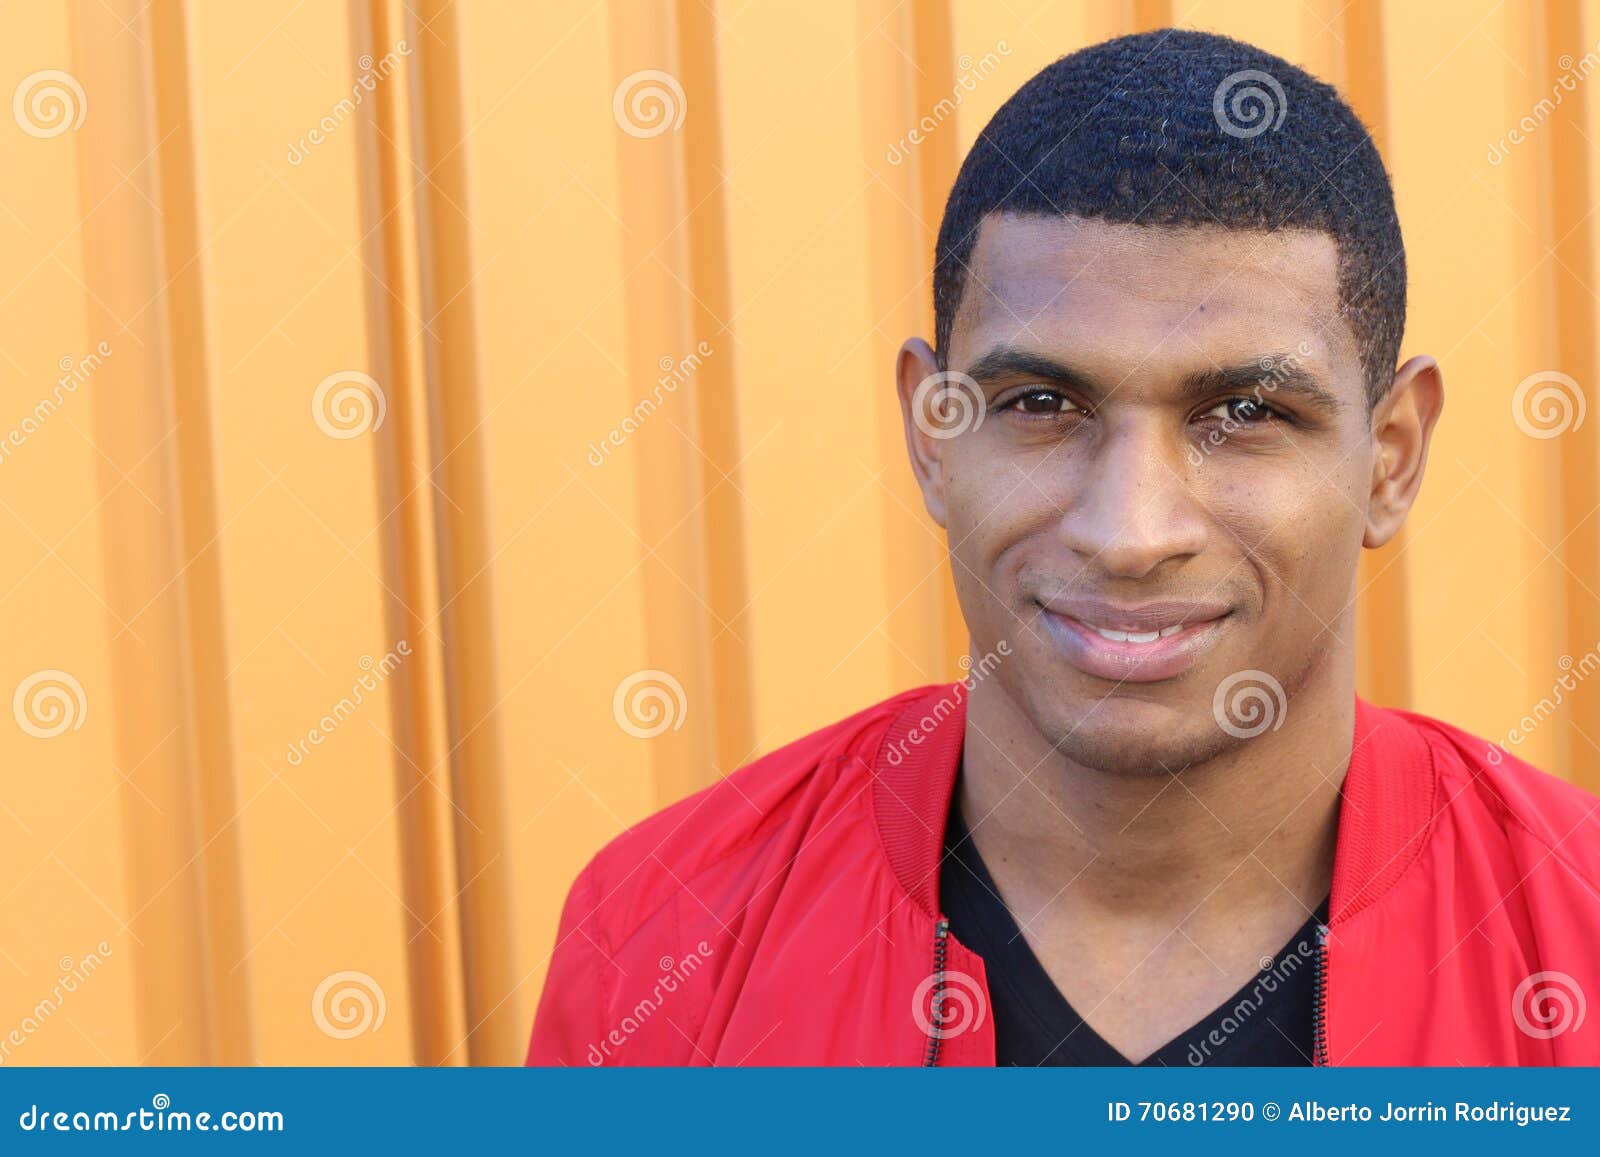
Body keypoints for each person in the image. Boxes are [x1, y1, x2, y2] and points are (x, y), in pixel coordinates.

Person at [527, 28, 1600, 1066]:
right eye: (1042, 401)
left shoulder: (1574, 936)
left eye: (1245, 411)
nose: (1130, 532)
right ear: (933, 434)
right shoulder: (664, 940)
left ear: (1391, 456)